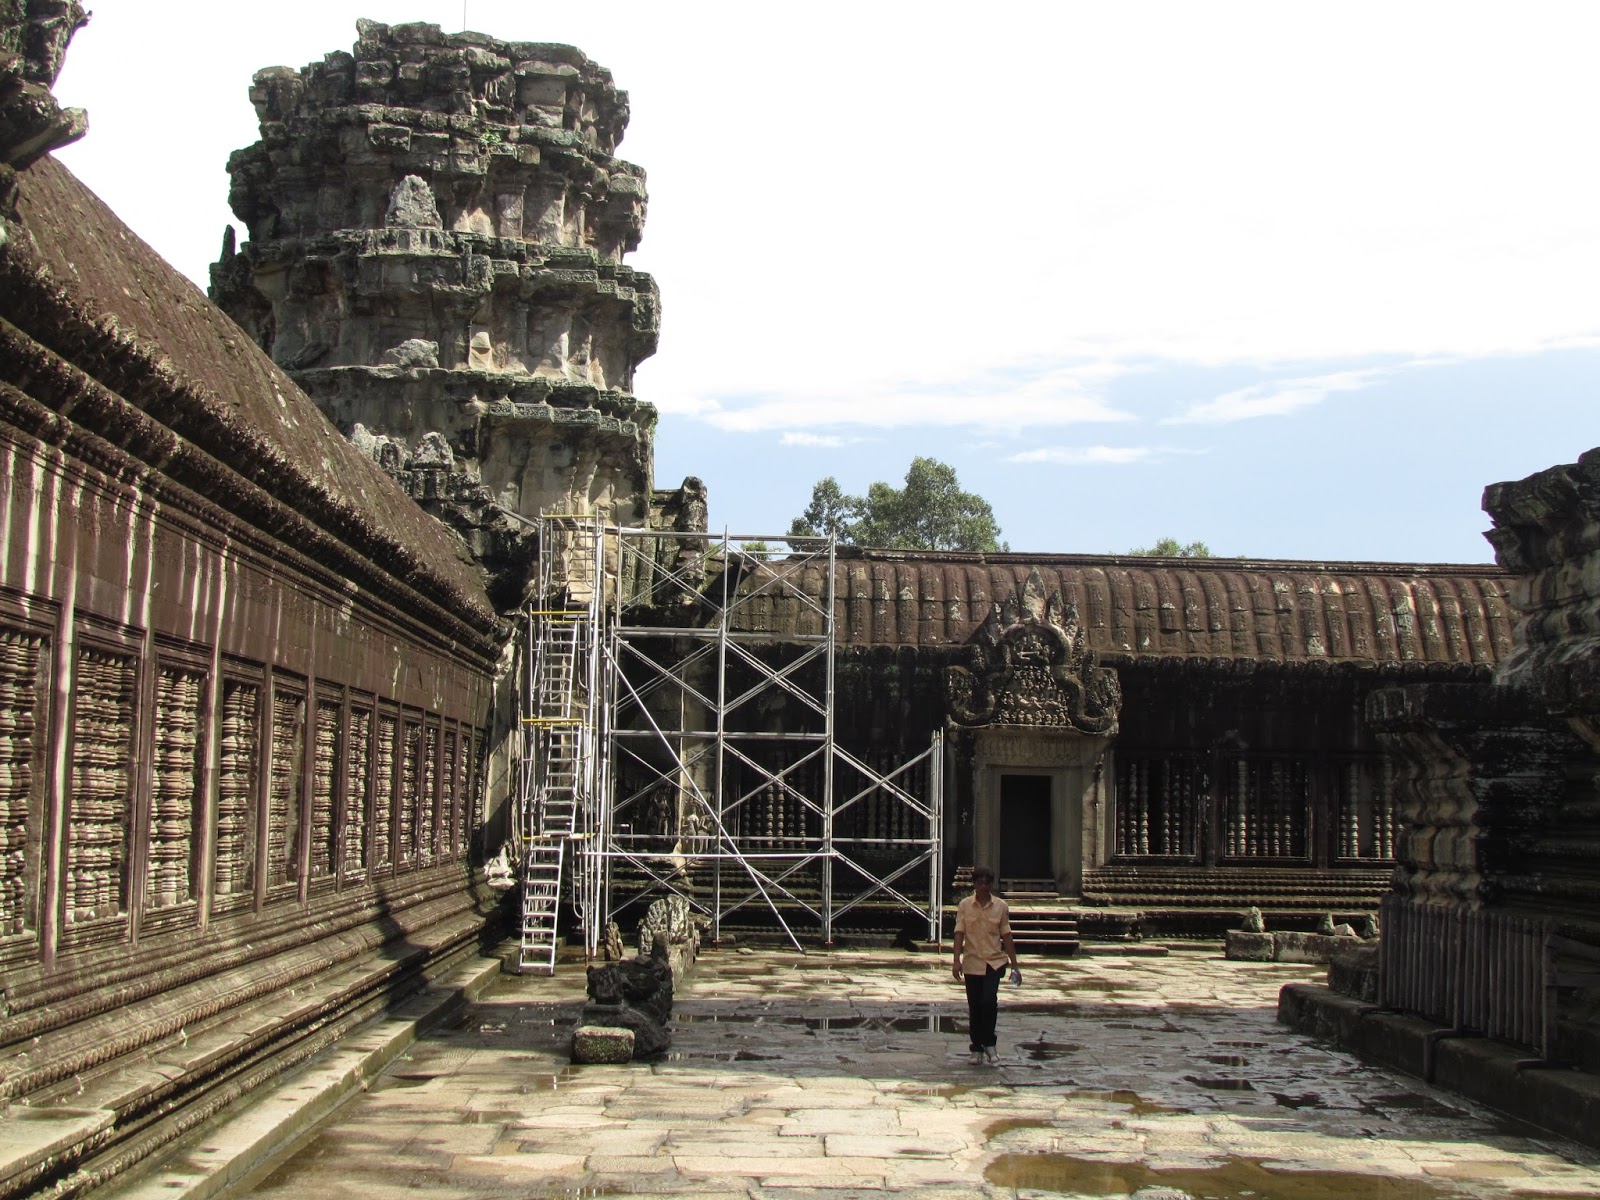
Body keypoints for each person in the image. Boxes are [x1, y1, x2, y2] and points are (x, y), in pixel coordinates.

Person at [952, 866, 1019, 1066]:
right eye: (979, 883)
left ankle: (990, 1043)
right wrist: (956, 960)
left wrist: (1015, 965)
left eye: (987, 883)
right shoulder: (965, 905)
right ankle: (977, 1047)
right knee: (975, 1006)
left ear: (991, 884)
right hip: (972, 961)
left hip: (994, 961)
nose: (983, 886)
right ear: (974, 884)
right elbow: (959, 933)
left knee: (989, 1002)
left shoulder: (1000, 906)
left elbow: (1006, 935)